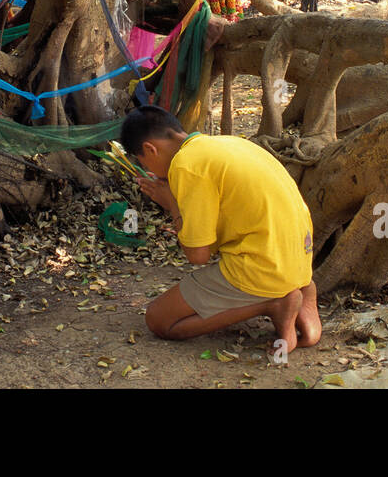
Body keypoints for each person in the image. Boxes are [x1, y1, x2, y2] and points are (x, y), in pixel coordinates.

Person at [119, 105, 321, 352]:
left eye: (143, 161)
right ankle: (303, 289)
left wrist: (171, 202)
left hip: (265, 267)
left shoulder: (186, 165)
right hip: (300, 259)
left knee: (159, 320)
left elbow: (198, 256)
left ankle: (273, 304)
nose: (149, 171)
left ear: (150, 149)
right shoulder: (228, 143)